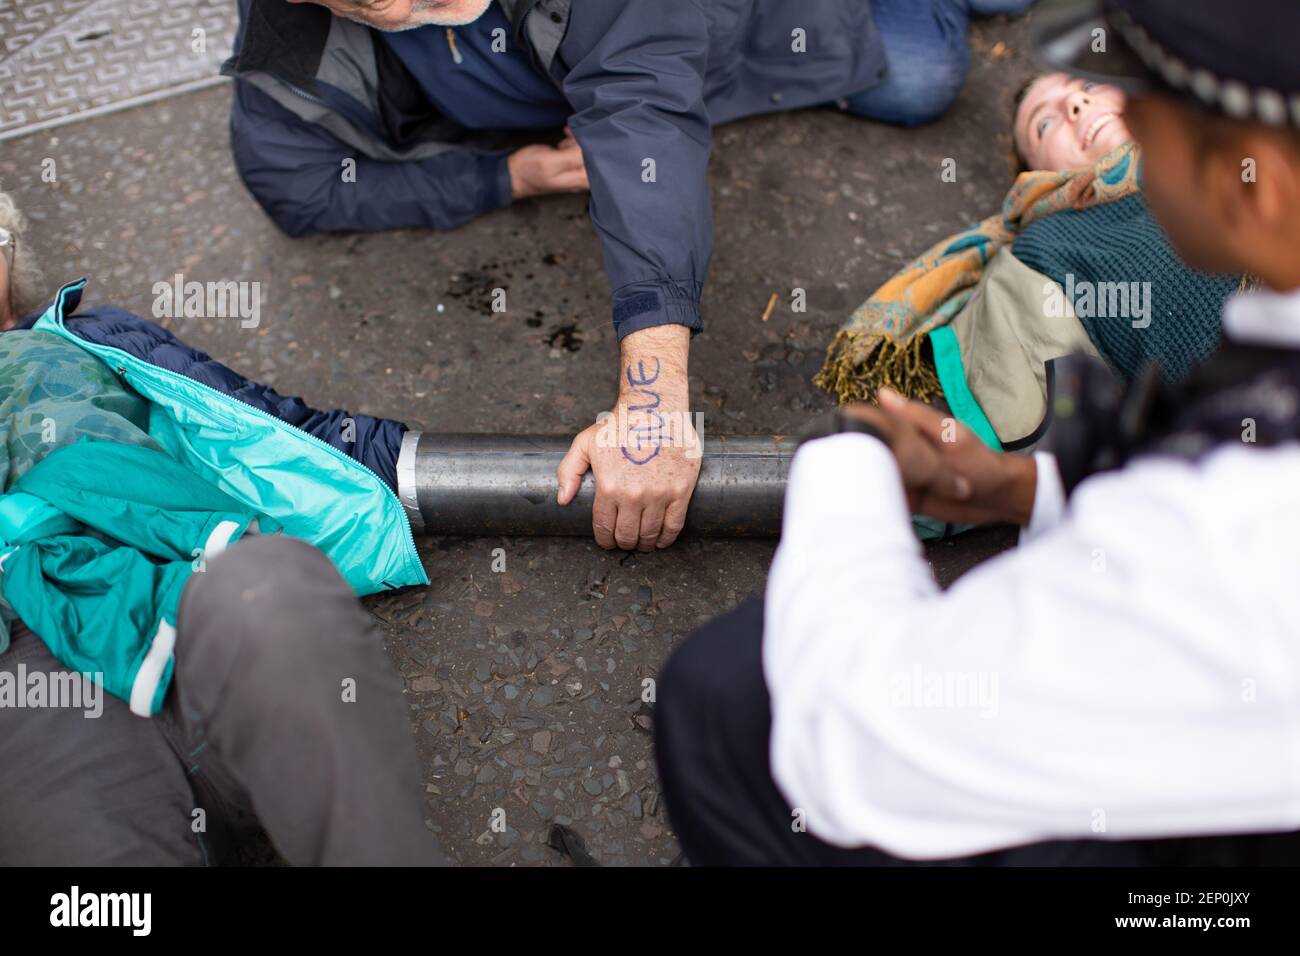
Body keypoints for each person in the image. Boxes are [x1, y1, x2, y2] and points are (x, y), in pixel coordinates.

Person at [655, 0, 1300, 865]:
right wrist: (1031, 490)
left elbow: (861, 733)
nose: (1112, 113)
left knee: (726, 697)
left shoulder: (1227, 538)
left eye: (1152, 105)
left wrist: (844, 467)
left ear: (1258, 187)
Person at [226, 0, 1037, 554]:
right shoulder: (292, 29)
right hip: (658, 67)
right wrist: (510, 177)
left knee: (926, 68)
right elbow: (297, 182)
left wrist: (653, 406)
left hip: (731, 29)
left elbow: (642, 116)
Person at [0, 190, 442, 865]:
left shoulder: (84, 337)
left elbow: (282, 428)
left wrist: (584, 471)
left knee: (273, 581)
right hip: (28, 692)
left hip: (178, 579)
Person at [817, 70, 1239, 458]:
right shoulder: (1045, 247)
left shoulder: (1236, 126)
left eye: (1088, 86)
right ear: (1036, 177)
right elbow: (985, 435)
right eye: (1044, 124)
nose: (1075, 105)